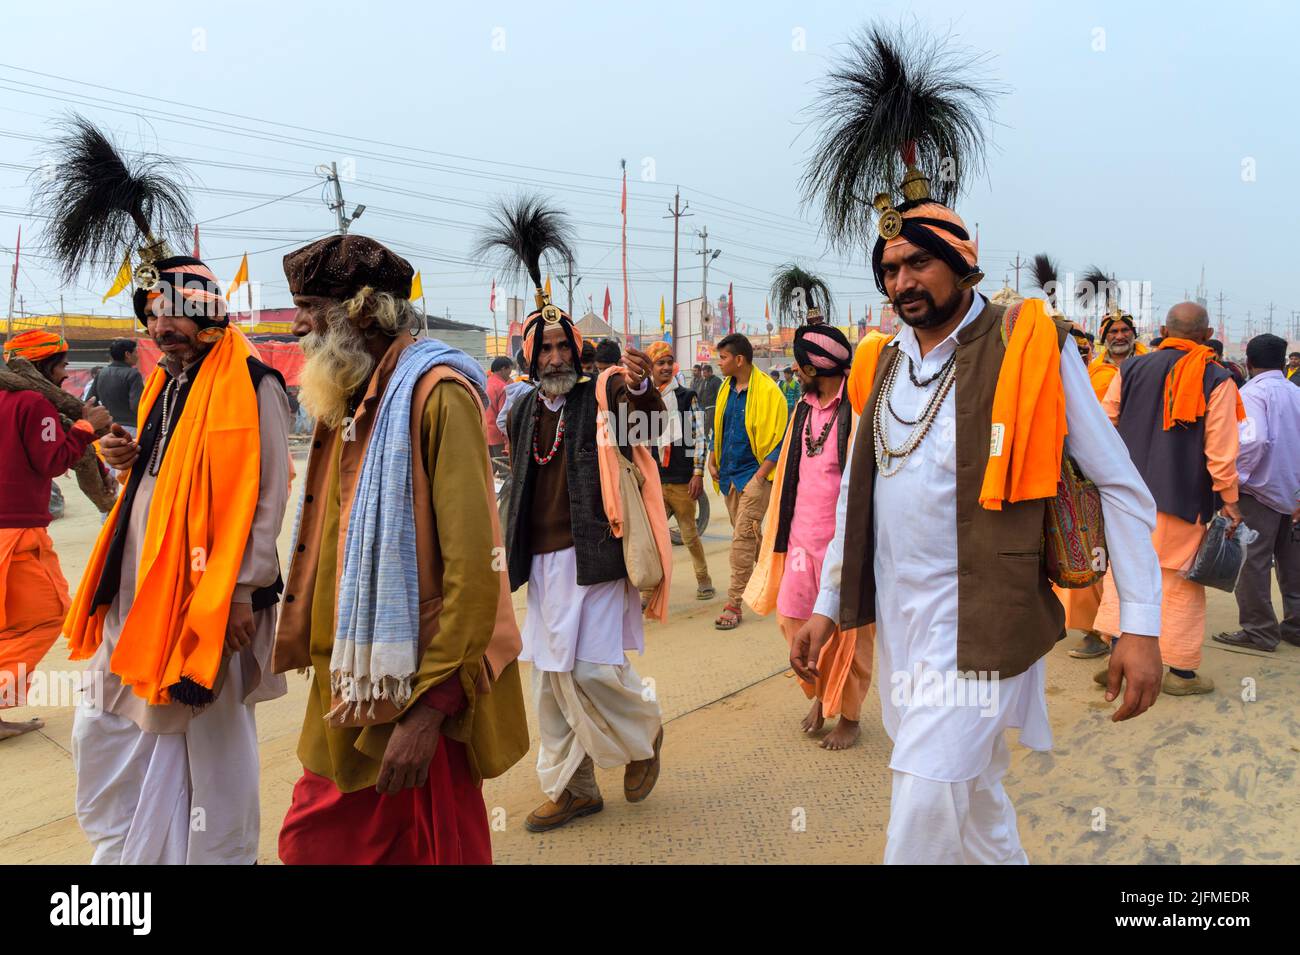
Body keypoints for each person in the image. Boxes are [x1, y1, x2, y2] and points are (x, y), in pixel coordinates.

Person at [794, 23, 1164, 864]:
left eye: (917, 264)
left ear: (960, 262)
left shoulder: (1033, 344)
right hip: (903, 622)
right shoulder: (877, 363)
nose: (899, 283)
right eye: (888, 270)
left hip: (982, 629)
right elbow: (860, 489)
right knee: (970, 803)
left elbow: (1122, 486)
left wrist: (1137, 623)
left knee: (924, 806)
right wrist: (824, 603)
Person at [272, 234, 528, 865]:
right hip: (352, 676)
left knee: (439, 849)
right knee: (313, 846)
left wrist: (430, 712)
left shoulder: (436, 396)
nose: (298, 323)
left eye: (310, 306)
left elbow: (476, 570)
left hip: (420, 685)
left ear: (360, 311)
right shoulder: (350, 399)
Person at [68, 255, 293, 863]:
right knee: (106, 724)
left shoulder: (254, 382)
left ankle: (219, 856)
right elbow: (167, 471)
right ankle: (133, 855)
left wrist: (243, 589)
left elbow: (268, 493)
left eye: (176, 312)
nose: (163, 325)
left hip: (210, 596)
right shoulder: (167, 380)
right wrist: (127, 454)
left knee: (213, 739)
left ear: (208, 312)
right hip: (140, 588)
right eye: (154, 314)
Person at [486, 196, 667, 833]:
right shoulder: (526, 408)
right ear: (532, 359)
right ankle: (575, 787)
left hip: (597, 557)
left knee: (591, 670)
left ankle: (645, 734)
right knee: (550, 683)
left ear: (578, 351)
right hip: (542, 564)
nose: (558, 358)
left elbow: (648, 420)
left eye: (566, 347)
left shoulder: (604, 389)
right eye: (547, 351)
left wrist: (644, 386)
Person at [1092, 302, 1243, 696]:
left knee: (1123, 572)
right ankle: (1179, 673)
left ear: (1163, 329)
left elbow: (1104, 425)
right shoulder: (1217, 378)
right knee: (1178, 581)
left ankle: (1116, 658)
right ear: (1208, 335)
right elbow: (1221, 451)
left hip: (1128, 497)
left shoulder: (1130, 369)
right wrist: (1230, 499)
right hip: (1182, 500)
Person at [744, 324, 871, 750]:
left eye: (800, 365)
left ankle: (849, 716)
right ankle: (819, 696)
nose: (796, 371)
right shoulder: (802, 407)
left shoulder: (857, 410)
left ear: (814, 366)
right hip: (798, 543)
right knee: (794, 623)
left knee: (849, 634)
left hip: (843, 547)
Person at [1, 331, 112, 740]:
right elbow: (52, 462)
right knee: (46, 616)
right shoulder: (34, 402)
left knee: (9, 623)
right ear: (43, 367)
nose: (66, 375)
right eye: (62, 366)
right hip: (17, 531)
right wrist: (87, 427)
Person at [1212, 334, 1300, 651]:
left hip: (1259, 491)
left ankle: (1260, 630)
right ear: (1283, 359)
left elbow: (1253, 440)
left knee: (1252, 563)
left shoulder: (1252, 393)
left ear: (1248, 362)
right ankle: (1295, 625)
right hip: (1291, 492)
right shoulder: (1294, 391)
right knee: (1292, 565)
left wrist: (1237, 479)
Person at [709, 333, 787, 630]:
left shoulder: (770, 392)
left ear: (739, 359)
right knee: (752, 539)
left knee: (741, 539)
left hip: (756, 477)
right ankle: (781, 584)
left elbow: (781, 442)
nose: (719, 363)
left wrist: (758, 477)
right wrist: (713, 458)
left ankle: (734, 603)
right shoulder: (725, 390)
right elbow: (720, 426)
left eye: (723, 358)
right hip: (729, 477)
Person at [647, 340, 713, 600]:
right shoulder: (644, 397)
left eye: (668, 362)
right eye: (659, 363)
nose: (665, 367)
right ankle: (650, 588)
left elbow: (698, 437)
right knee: (651, 539)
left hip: (682, 480)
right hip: (653, 481)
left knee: (689, 535)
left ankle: (703, 579)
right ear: (650, 367)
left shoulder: (687, 397)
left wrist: (697, 473)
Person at [90, 338, 145, 435]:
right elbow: (136, 405)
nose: (138, 356)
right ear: (127, 354)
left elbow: (90, 401)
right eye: (136, 352)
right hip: (131, 428)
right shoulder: (133, 374)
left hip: (107, 429)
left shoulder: (101, 373)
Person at [1087, 309, 1144, 401]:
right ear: (1104, 336)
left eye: (1125, 330)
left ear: (1133, 333)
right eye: (1113, 331)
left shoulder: (1149, 363)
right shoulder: (1093, 368)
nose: (1119, 337)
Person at [485, 355, 513, 460]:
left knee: (490, 471)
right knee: (505, 472)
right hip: (499, 437)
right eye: (510, 369)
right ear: (503, 369)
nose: (510, 373)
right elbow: (504, 415)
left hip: (485, 434)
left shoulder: (485, 383)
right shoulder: (502, 387)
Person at [697, 363, 722, 441]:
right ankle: (716, 436)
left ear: (710, 372)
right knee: (711, 423)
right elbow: (701, 392)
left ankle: (705, 436)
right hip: (704, 406)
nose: (704, 375)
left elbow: (719, 393)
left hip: (713, 406)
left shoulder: (716, 380)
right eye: (703, 373)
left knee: (708, 422)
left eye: (705, 373)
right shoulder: (704, 381)